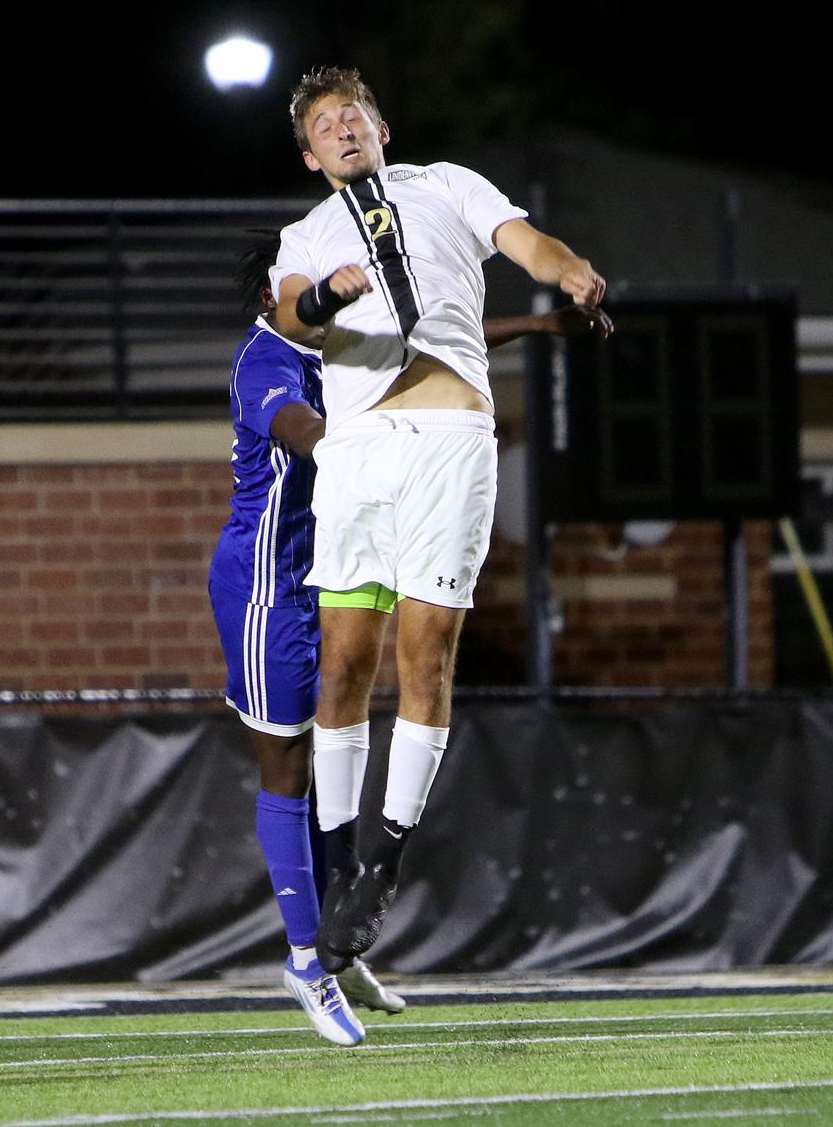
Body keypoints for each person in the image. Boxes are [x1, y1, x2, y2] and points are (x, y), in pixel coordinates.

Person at [213, 236, 609, 1044]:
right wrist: (366, 450)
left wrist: (537, 329)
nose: (321, 296)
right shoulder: (268, 360)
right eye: (303, 287)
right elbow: (300, 430)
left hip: (328, 566)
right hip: (268, 586)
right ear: (272, 300)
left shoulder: (345, 352)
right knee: (287, 765)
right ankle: (303, 960)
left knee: (330, 767)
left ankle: (333, 943)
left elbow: (438, 344)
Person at [264, 67, 608, 977]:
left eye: (353, 114)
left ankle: (382, 856)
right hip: (359, 448)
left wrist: (567, 269)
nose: (343, 128)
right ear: (310, 155)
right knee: (342, 666)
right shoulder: (308, 230)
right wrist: (331, 297)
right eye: (325, 124)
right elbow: (295, 310)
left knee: (428, 654)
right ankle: (339, 864)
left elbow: (526, 242)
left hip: (452, 435)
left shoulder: (445, 184)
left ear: (383, 124)